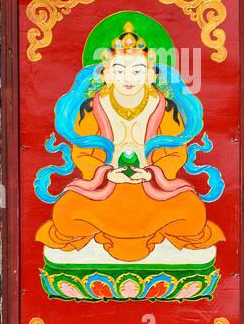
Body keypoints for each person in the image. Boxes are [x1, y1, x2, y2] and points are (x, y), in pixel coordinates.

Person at [35, 22, 223, 262]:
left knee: (193, 212)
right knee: (64, 213)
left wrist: (152, 174)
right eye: (120, 70)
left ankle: (119, 235)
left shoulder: (164, 108)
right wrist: (106, 174)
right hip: (104, 189)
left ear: (151, 74)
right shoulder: (92, 107)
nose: (128, 78)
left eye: (137, 71)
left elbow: (176, 153)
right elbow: (82, 154)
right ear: (106, 73)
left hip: (153, 190)